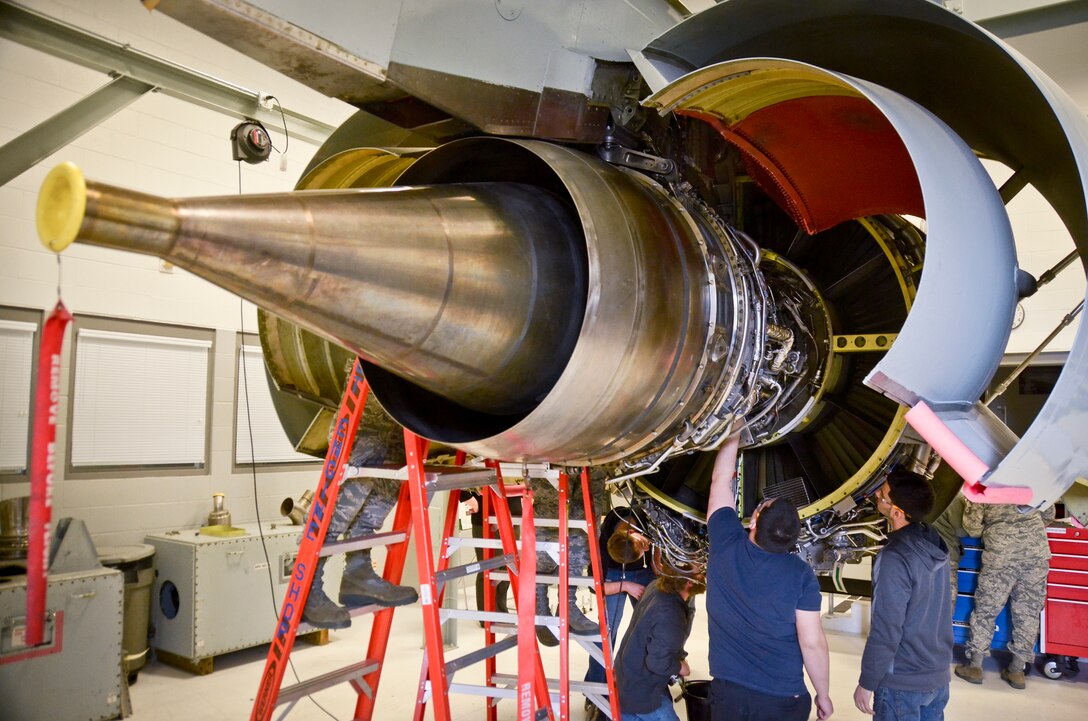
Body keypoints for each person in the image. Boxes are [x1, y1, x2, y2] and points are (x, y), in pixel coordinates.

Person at [705, 430, 833, 721]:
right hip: (783, 699)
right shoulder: (801, 575)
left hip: (729, 694)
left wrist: (732, 431)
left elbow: (720, 481)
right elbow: (811, 642)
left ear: (753, 522)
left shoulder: (725, 542)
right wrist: (822, 694)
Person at [302, 399, 419, 629]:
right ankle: (308, 588)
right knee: (339, 510)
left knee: (384, 490)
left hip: (398, 415)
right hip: (367, 413)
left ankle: (358, 576)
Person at [854, 470, 953, 720]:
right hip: (937, 676)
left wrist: (867, 682)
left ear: (897, 513)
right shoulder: (935, 544)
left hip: (902, 684)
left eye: (883, 494)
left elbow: (886, 628)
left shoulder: (894, 558)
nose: (876, 494)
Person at [954, 499, 1055, 689]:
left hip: (1001, 555)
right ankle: (1017, 671)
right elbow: (1048, 515)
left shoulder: (988, 486)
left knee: (986, 610)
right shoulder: (1035, 481)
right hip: (1035, 554)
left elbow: (972, 528)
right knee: (1028, 613)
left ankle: (975, 667)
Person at [584, 506, 657, 719]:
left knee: (652, 630)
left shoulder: (647, 524)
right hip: (614, 577)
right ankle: (596, 693)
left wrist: (652, 555)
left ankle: (652, 685)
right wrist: (625, 585)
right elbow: (595, 587)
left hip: (645, 571)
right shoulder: (602, 546)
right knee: (606, 634)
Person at [529, 472, 607, 646]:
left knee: (586, 527)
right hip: (551, 460)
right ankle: (540, 606)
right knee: (551, 516)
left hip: (590, 458)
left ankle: (567, 604)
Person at [614, 575, 702, 721]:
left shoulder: (656, 586)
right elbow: (658, 662)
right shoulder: (671, 612)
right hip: (640, 694)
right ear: (689, 582)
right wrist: (681, 667)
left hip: (627, 678)